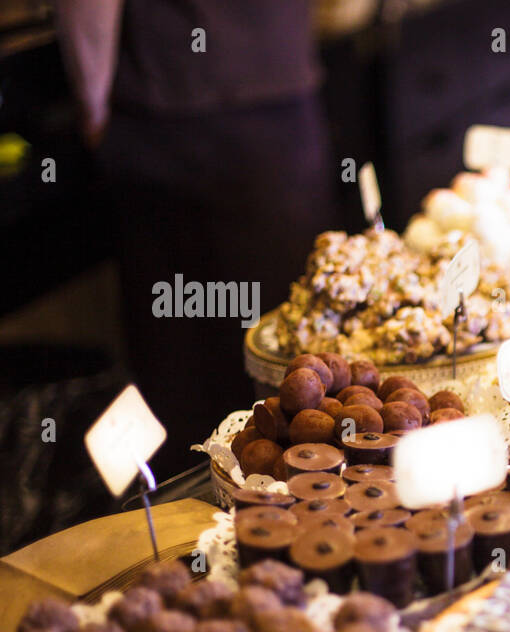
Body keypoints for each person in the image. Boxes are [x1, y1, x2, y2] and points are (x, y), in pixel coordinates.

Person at [56, 0, 338, 477]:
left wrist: (93, 103)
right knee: (288, 359)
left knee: (185, 372)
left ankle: (198, 539)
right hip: (284, 108)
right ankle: (300, 530)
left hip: (170, 116)